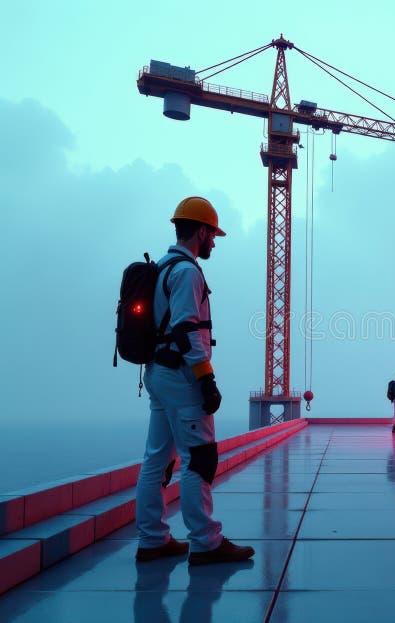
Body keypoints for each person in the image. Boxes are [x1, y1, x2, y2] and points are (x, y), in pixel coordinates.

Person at [134, 196, 254, 565]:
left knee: (156, 460)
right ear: (200, 231)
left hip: (158, 372)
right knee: (198, 459)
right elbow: (187, 327)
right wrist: (205, 379)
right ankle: (206, 541)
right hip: (182, 376)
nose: (214, 242)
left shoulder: (163, 268)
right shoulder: (186, 271)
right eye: (213, 235)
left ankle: (152, 539)